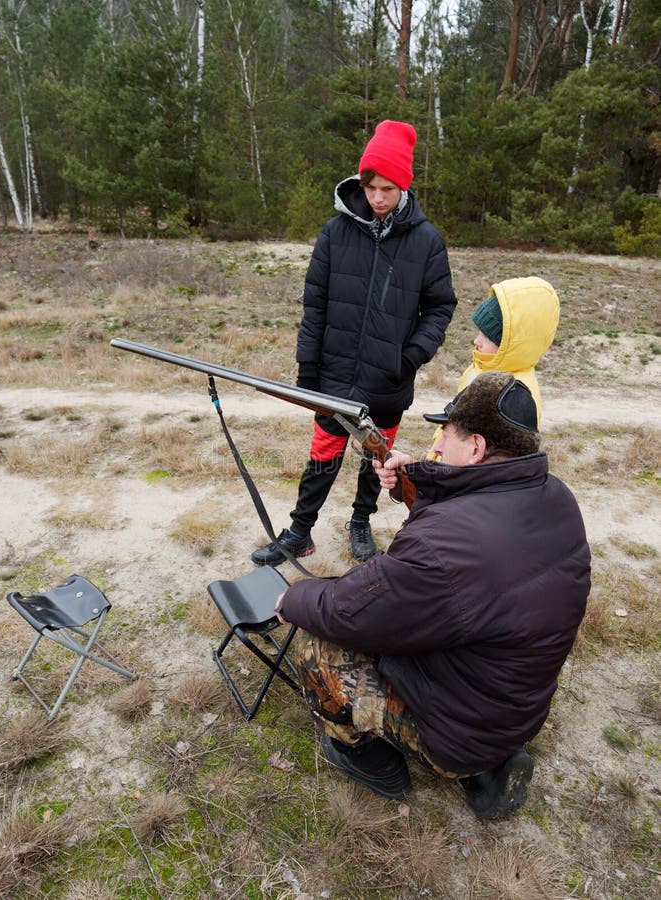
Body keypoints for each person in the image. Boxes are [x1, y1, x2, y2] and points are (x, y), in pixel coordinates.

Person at [274, 372, 591, 819]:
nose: (437, 444)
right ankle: (493, 757)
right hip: (514, 706)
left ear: (477, 447)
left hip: (461, 730)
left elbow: (353, 612)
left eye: (446, 431)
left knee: (317, 645)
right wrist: (420, 479)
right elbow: (471, 544)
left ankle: (375, 763)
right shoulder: (557, 496)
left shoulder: (443, 546)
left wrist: (296, 599)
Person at [251, 120, 457, 566]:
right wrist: (308, 374)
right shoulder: (334, 234)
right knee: (322, 457)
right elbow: (316, 307)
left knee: (376, 462)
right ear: (359, 183)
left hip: (388, 380)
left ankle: (360, 521)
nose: (378, 198)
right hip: (334, 376)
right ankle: (300, 532)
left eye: (387, 188)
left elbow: (441, 307)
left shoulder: (427, 243)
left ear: (404, 185)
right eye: (370, 187)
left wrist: (410, 357)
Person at [428, 276, 559, 458]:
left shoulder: (517, 394)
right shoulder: (478, 368)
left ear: (510, 344)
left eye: (487, 336)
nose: (476, 341)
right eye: (479, 332)